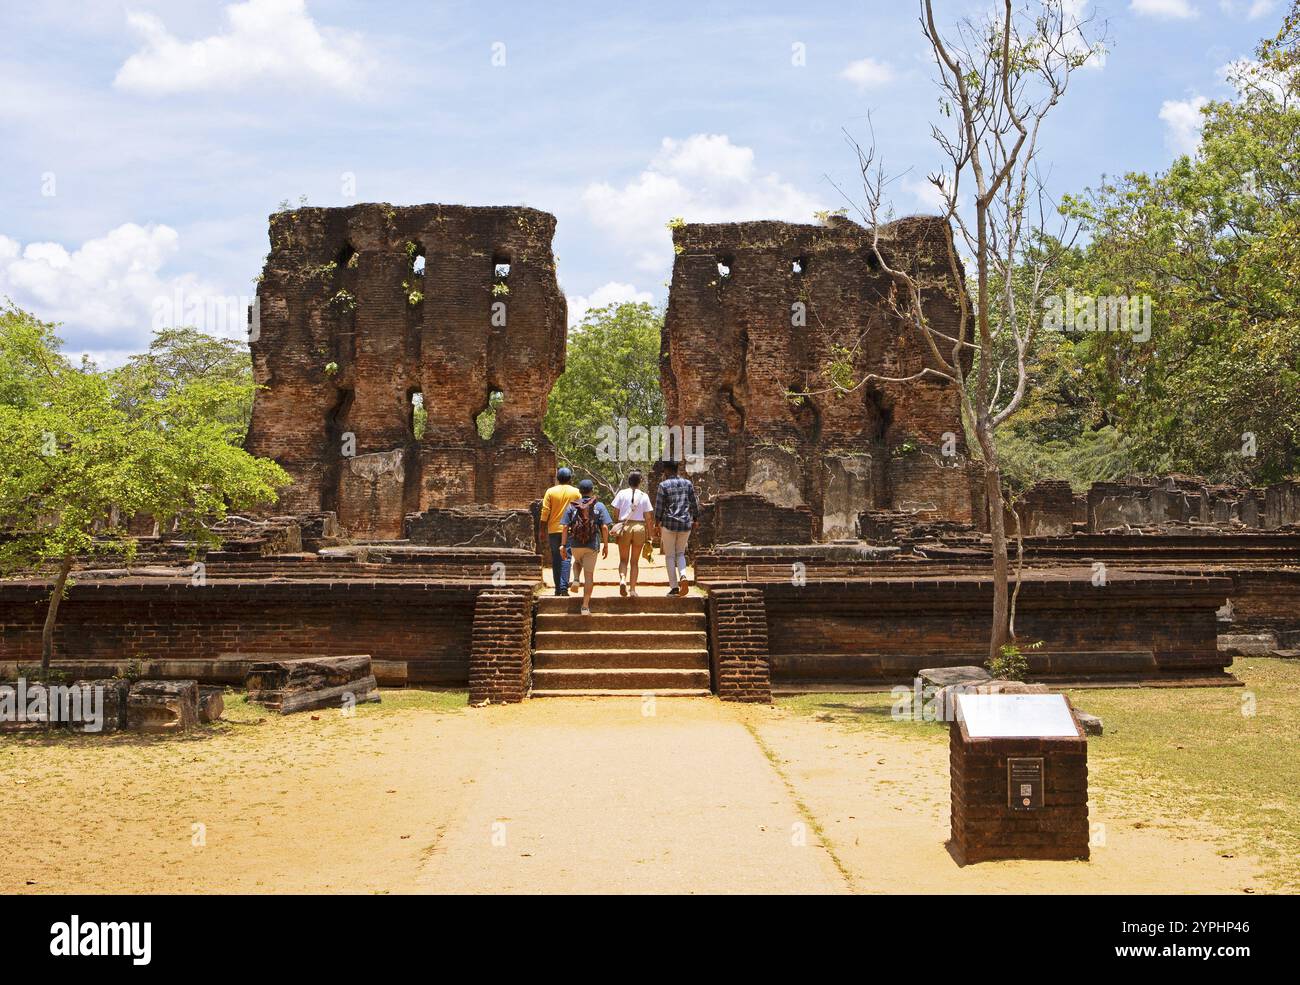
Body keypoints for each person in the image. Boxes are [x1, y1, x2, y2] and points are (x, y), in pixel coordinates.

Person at [560, 478, 612, 615]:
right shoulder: (599, 506)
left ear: (579, 492)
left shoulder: (572, 506)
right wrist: (606, 545)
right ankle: (585, 606)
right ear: (592, 490)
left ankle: (576, 578)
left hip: (576, 544)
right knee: (589, 576)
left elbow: (565, 527)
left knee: (577, 562)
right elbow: (605, 527)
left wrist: (563, 545)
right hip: (592, 544)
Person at [654, 459, 698, 597]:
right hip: (685, 523)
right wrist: (695, 519)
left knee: (670, 556)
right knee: (680, 553)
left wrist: (657, 523)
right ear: (677, 469)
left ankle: (674, 588)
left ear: (666, 470)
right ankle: (683, 575)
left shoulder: (663, 485)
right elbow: (694, 503)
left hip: (669, 524)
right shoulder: (687, 483)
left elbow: (659, 506)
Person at [610, 470, 655, 597]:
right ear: (640, 482)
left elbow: (616, 513)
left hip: (625, 527)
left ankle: (622, 579)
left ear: (628, 481)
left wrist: (618, 524)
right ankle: (633, 589)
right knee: (634, 562)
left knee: (623, 560)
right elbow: (648, 518)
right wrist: (650, 535)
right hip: (639, 528)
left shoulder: (621, 493)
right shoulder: (644, 496)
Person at [539, 467, 580, 597]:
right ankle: (563, 587)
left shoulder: (550, 492)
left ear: (557, 478)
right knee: (566, 558)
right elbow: (580, 511)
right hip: (568, 530)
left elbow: (545, 511)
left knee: (556, 559)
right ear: (570, 478)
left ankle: (557, 589)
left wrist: (541, 529)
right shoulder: (576, 492)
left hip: (553, 530)